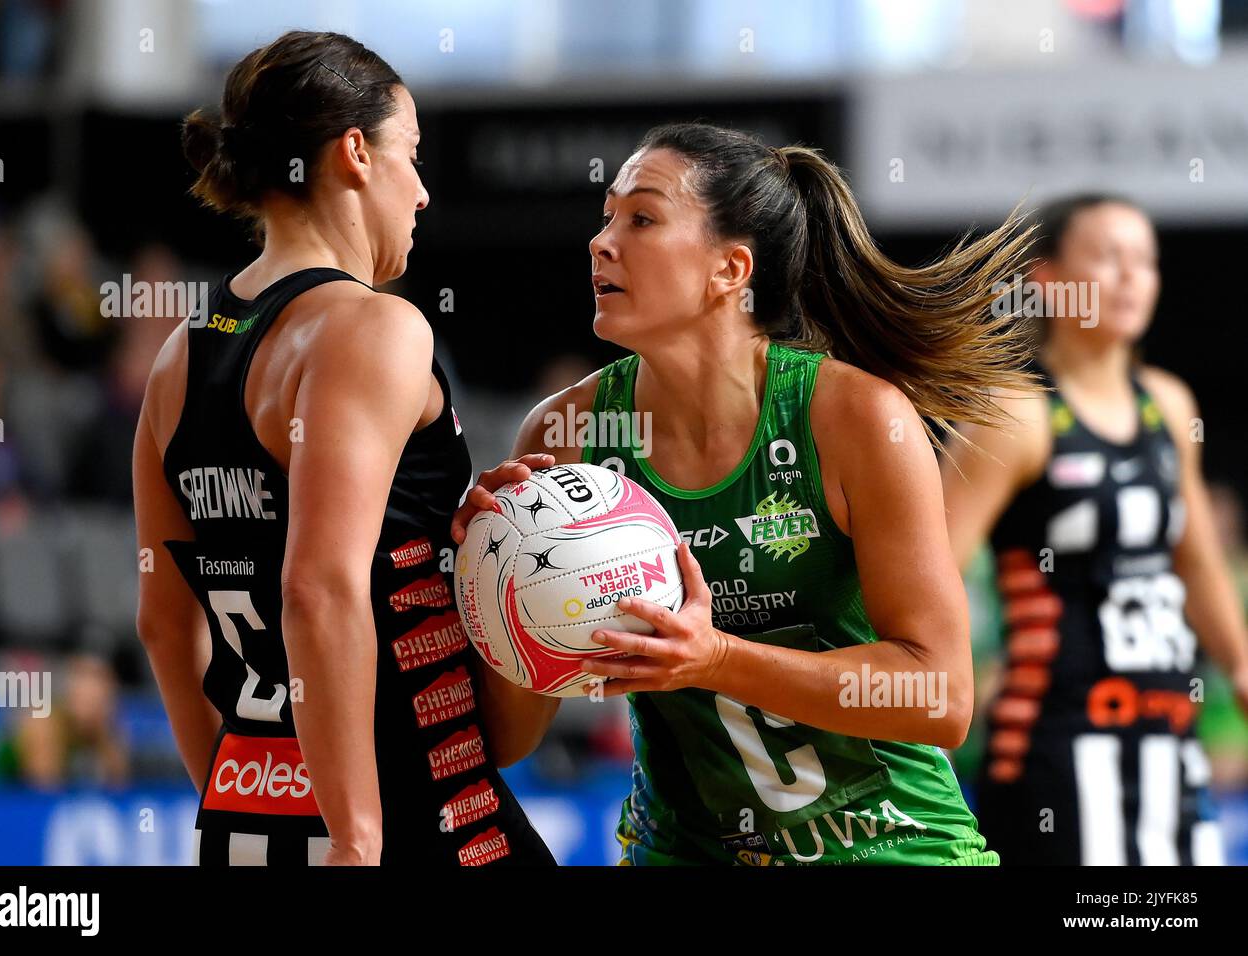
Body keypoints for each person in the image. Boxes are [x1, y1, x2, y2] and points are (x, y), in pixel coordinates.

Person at [454, 122, 1040, 865]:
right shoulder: (564, 434)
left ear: (730, 269)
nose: (601, 242)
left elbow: (940, 698)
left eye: (641, 218)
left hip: (891, 847)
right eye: (606, 218)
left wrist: (716, 659)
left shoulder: (854, 417)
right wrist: (491, 574)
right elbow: (510, 741)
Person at [133, 30, 554, 866]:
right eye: (414, 155)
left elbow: (162, 622)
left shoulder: (177, 356)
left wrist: (230, 795)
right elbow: (318, 588)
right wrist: (356, 838)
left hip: (250, 829)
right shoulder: (373, 328)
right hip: (416, 821)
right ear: (355, 153)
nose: (424, 193)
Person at [940, 194, 1248, 865]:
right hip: (1056, 743)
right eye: (1109, 258)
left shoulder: (1168, 403)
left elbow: (1195, 560)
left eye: (1146, 260)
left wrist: (1241, 663)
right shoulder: (1014, 413)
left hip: (1169, 733)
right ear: (1049, 282)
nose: (1133, 276)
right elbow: (926, 571)